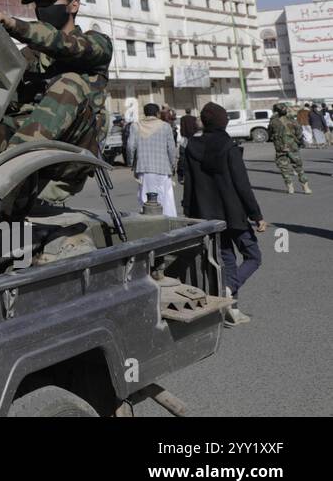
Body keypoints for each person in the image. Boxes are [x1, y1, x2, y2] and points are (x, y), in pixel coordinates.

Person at [0, 0, 112, 202]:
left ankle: (5, 175)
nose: (41, 9)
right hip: (30, 150)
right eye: (38, 4)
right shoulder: (29, 56)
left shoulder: (97, 43)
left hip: (71, 151)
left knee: (70, 83)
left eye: (48, 3)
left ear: (73, 5)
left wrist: (13, 24)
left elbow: (62, 43)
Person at [181, 102, 266, 326]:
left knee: (227, 260)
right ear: (223, 121)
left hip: (208, 217)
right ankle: (227, 291)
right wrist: (256, 215)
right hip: (234, 214)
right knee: (253, 256)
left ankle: (232, 312)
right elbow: (242, 185)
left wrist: (188, 215)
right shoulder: (229, 146)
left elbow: (188, 184)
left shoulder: (191, 147)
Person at [129, 103, 180, 217]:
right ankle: (170, 225)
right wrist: (172, 165)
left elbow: (130, 146)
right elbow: (171, 149)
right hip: (163, 168)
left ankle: (152, 225)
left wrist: (131, 163)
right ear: (157, 113)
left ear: (145, 113)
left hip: (144, 168)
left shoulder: (135, 126)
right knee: (166, 199)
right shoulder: (165, 126)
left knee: (146, 200)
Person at [268, 103, 310, 194]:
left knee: (284, 168)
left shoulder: (273, 122)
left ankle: (290, 188)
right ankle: (306, 188)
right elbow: (299, 133)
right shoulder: (292, 120)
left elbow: (270, 134)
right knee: (299, 167)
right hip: (292, 147)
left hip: (280, 148)